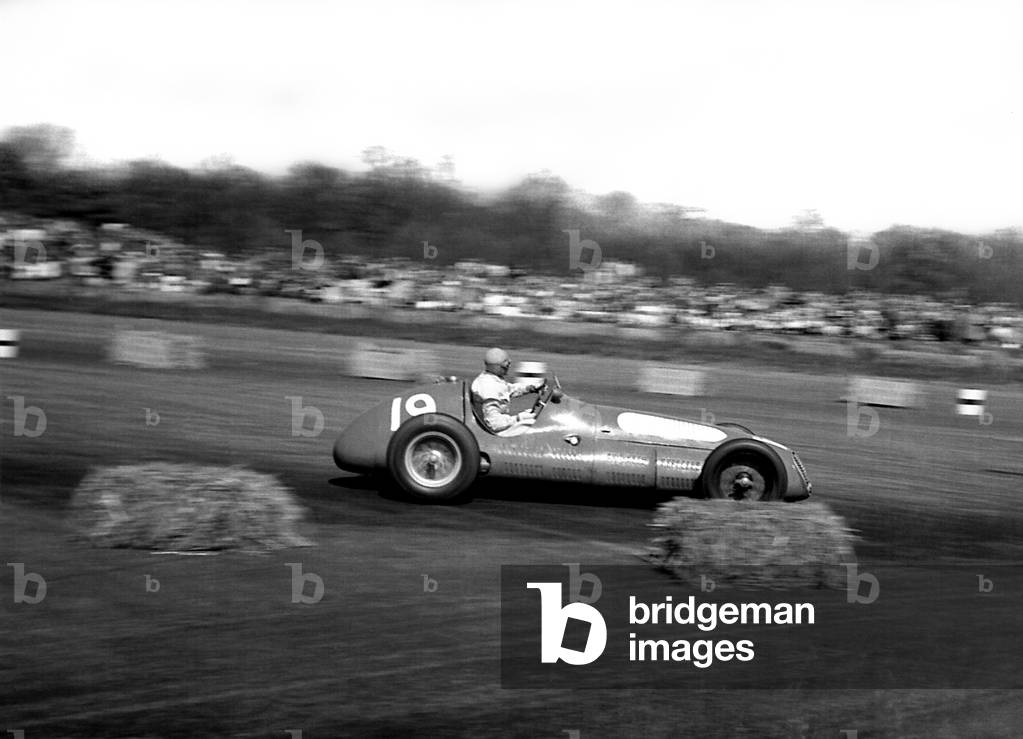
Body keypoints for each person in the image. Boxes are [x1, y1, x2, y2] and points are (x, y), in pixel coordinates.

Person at [470, 347, 545, 433]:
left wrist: (530, 388)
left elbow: (509, 389)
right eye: (505, 366)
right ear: (496, 367)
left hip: (500, 426)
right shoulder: (489, 387)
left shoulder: (492, 379)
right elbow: (494, 424)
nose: (508, 367)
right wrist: (519, 418)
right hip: (495, 433)